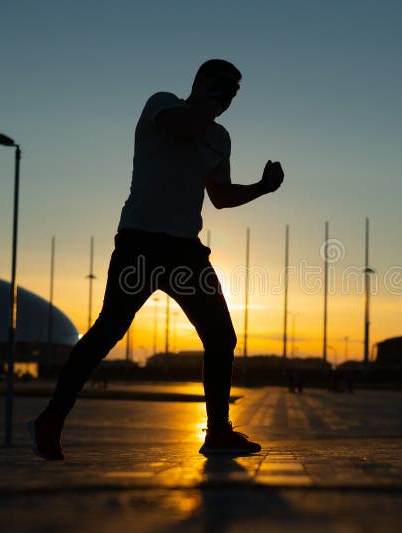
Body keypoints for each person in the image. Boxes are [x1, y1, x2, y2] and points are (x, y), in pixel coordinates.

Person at [28, 59, 284, 459]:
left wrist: (262, 188)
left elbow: (220, 196)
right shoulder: (161, 105)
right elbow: (182, 128)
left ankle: (217, 432)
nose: (229, 95)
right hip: (141, 243)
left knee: (221, 338)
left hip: (186, 252)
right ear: (199, 83)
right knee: (109, 330)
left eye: (235, 91)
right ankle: (51, 419)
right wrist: (208, 102)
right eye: (222, 85)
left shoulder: (220, 138)